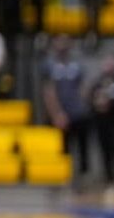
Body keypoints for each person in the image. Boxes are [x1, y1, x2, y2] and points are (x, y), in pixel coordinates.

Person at [44, 35, 92, 182]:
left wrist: (83, 106)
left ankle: (83, 177)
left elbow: (84, 88)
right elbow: (49, 91)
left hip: (78, 113)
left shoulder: (77, 65)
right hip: (61, 114)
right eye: (60, 42)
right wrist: (57, 114)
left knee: (82, 147)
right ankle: (63, 178)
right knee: (63, 149)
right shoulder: (50, 66)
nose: (62, 46)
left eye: (66, 43)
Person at [89, 55, 114, 203]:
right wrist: (99, 102)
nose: (109, 67)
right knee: (105, 154)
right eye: (106, 64)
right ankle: (110, 182)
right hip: (102, 124)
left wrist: (107, 103)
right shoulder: (98, 82)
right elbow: (92, 99)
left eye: (111, 64)